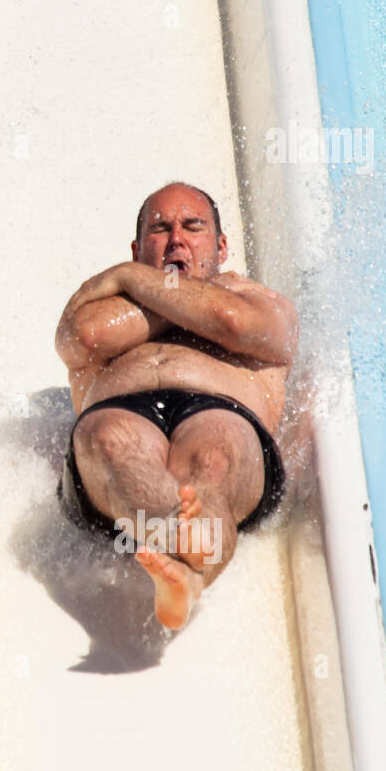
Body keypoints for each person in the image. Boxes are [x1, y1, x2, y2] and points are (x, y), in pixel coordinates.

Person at [54, 182, 298, 629]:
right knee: (109, 440)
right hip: (120, 416)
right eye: (160, 229)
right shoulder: (104, 305)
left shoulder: (260, 299)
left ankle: (189, 573)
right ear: (137, 247)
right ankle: (181, 560)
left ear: (222, 246)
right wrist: (184, 296)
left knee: (214, 459)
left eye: (193, 227)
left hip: (224, 415)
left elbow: (235, 321)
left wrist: (131, 280)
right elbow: (86, 336)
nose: (176, 240)